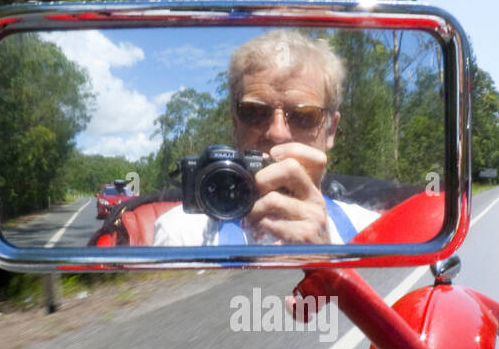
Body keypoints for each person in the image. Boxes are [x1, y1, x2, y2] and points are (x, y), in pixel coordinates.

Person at [153, 30, 380, 246]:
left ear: (330, 129)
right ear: (235, 123)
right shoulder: (184, 233)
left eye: (303, 116)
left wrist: (325, 261)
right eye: (255, 112)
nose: (278, 133)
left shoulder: (371, 232)